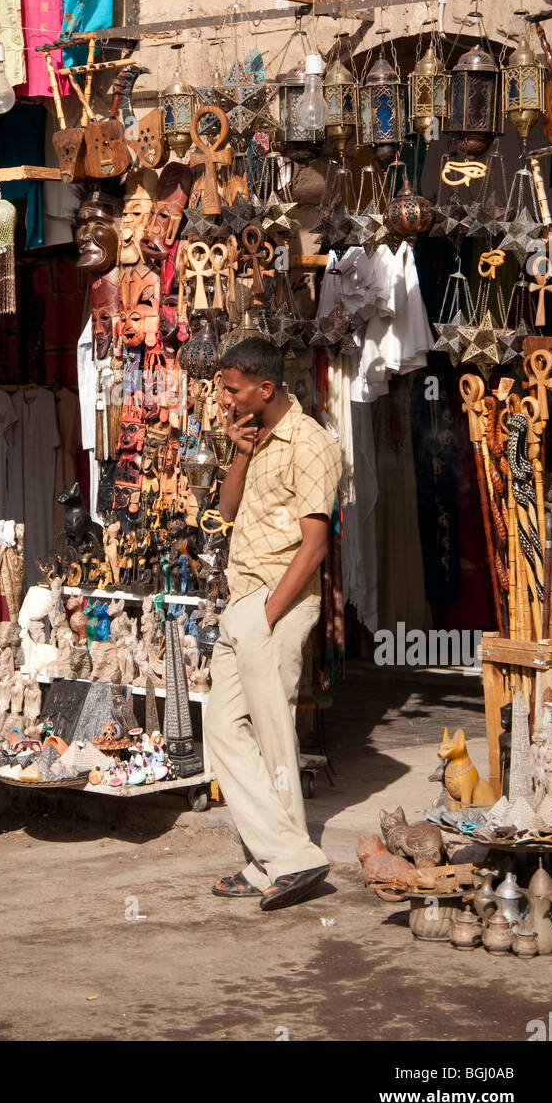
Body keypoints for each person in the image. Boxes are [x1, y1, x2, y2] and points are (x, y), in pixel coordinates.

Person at [205, 336, 342, 912]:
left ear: (265, 388)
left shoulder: (312, 445)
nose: (224, 399)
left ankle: (284, 861)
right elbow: (228, 511)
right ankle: (278, 857)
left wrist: (265, 615)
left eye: (231, 390)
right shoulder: (254, 436)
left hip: (275, 604)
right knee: (221, 727)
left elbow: (313, 548)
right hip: (243, 598)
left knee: (273, 734)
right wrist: (237, 451)